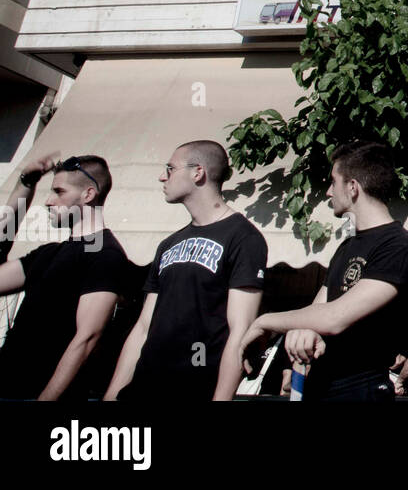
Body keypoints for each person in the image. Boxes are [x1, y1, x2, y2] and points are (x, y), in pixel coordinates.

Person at [238, 140, 408, 401]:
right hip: (322, 383)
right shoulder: (348, 246)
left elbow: (334, 318)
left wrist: (264, 322)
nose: (328, 192)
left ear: (352, 188)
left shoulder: (401, 247)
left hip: (361, 387)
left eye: (333, 181)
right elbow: (317, 312)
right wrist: (302, 331)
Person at [105, 141, 266, 402]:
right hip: (142, 390)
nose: (162, 176)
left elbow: (241, 330)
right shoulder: (168, 244)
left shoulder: (243, 238)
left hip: (193, 390)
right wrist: (112, 394)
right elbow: (144, 327)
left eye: (170, 169)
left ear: (197, 172)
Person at [0, 153, 131, 400]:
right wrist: (26, 184)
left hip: (37, 396)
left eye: (59, 192)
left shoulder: (105, 254)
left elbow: (87, 338)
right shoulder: (49, 253)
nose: (48, 201)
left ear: (88, 195)